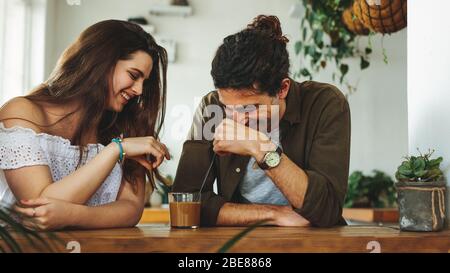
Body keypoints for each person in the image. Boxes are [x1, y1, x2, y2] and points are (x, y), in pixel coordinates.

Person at [173, 15, 351, 227]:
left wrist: (258, 147)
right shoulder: (212, 107)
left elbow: (326, 209)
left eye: (251, 108)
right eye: (229, 108)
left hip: (316, 244)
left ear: (282, 89)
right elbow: (185, 204)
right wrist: (273, 214)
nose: (238, 119)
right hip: (242, 244)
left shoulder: (325, 103)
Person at [0, 20, 170, 231]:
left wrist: (72, 215)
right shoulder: (22, 112)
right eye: (134, 76)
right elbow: (38, 209)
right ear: (100, 62)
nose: (139, 90)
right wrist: (116, 150)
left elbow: (131, 210)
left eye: (144, 81)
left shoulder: (128, 125)